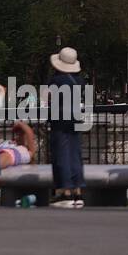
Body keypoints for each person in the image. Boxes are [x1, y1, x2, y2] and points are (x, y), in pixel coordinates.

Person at [46, 46, 87, 208]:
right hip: (75, 120)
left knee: (61, 154)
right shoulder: (80, 80)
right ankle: (78, 191)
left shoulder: (56, 81)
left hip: (60, 120)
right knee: (75, 154)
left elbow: (48, 97)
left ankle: (65, 192)